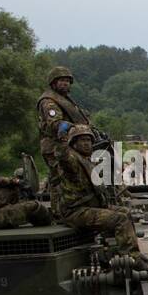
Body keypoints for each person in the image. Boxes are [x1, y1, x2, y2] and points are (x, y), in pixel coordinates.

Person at [56, 125, 143, 256]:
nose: (86, 144)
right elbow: (63, 156)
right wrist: (62, 140)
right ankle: (133, 258)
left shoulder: (86, 160)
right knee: (120, 219)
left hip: (88, 207)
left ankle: (118, 250)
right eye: (82, 140)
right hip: (76, 211)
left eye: (89, 140)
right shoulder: (72, 159)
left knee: (125, 212)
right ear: (73, 144)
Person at [37, 66, 91, 207]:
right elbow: (55, 124)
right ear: (53, 83)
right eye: (61, 80)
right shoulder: (49, 102)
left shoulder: (65, 99)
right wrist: (75, 128)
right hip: (54, 146)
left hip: (65, 145)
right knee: (59, 179)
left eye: (67, 80)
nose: (65, 83)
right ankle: (58, 212)